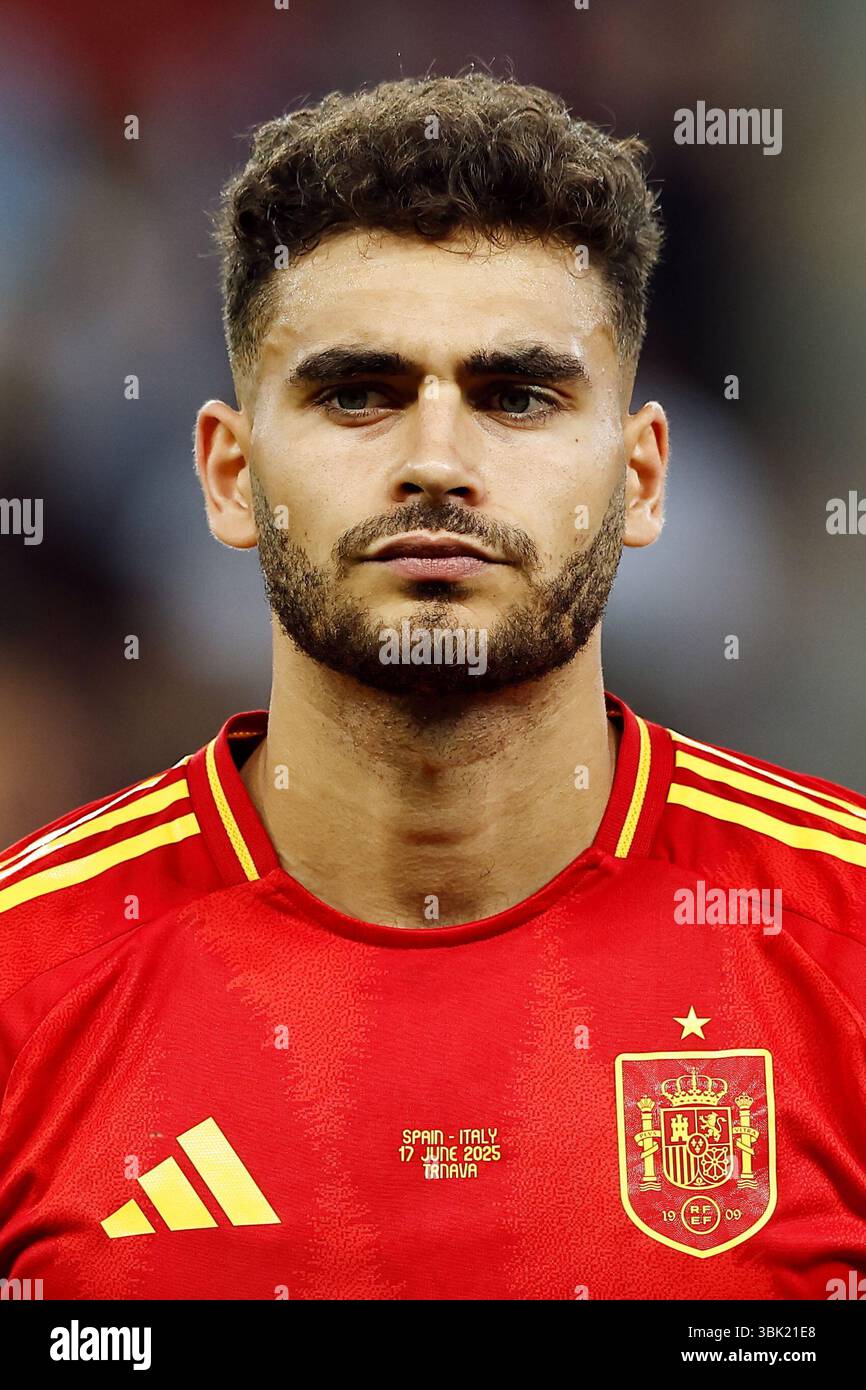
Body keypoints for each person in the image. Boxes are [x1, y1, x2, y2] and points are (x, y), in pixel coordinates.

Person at [1, 75, 863, 1301]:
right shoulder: (25, 975)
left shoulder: (840, 936)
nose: (437, 464)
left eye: (517, 396)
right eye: (359, 393)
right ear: (230, 476)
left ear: (639, 479)